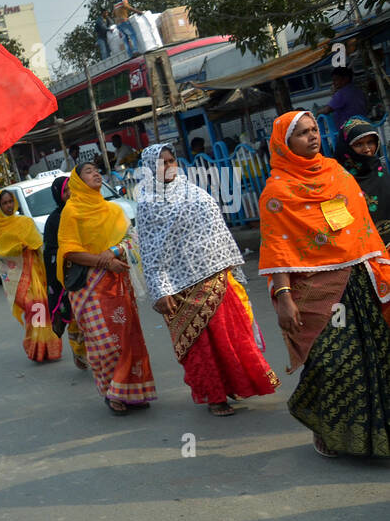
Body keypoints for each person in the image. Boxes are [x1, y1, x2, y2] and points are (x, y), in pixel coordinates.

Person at [258, 110, 390, 457]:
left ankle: (372, 436)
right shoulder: (278, 191)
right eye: (302, 133)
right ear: (285, 144)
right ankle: (325, 427)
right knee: (332, 362)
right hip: (315, 291)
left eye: (314, 129)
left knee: (372, 357)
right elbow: (278, 247)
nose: (312, 136)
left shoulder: (337, 173)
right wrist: (284, 296)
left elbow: (358, 224)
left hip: (359, 280)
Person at [135, 144, 279, 415]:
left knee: (231, 338)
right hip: (180, 286)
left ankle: (235, 385)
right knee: (202, 346)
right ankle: (215, 397)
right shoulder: (147, 204)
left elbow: (218, 230)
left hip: (215, 276)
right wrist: (159, 289)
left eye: (171, 160)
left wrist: (229, 265)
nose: (168, 166)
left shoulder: (194, 191)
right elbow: (150, 249)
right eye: (161, 163)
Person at [57, 162, 158, 414]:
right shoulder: (72, 211)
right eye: (88, 172)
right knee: (104, 344)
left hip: (118, 283)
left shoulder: (112, 210)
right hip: (90, 285)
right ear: (78, 181)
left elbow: (130, 237)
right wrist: (105, 262)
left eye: (96, 170)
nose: (95, 174)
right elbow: (69, 251)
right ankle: (112, 391)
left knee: (128, 338)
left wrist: (113, 253)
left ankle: (132, 391)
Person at [0, 189, 62, 362]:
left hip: (34, 271)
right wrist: (15, 248)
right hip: (16, 275)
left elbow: (38, 243)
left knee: (40, 307)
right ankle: (36, 347)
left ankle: (45, 348)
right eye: (4, 203)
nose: (8, 206)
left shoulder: (25, 222)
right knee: (32, 307)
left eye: (10, 202)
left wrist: (29, 245)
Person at [43, 176, 87, 368]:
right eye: (65, 191)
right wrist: (67, 254)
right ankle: (79, 351)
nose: (70, 195)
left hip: (89, 268)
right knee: (75, 316)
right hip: (68, 274)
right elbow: (50, 250)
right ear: (58, 195)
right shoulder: (54, 220)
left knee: (89, 314)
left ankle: (94, 352)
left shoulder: (84, 210)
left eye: (72, 189)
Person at [335, 117, 390, 240]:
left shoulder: (379, 170)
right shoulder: (336, 178)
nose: (367, 149)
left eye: (370, 142)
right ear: (346, 147)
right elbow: (338, 224)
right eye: (359, 144)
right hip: (365, 250)